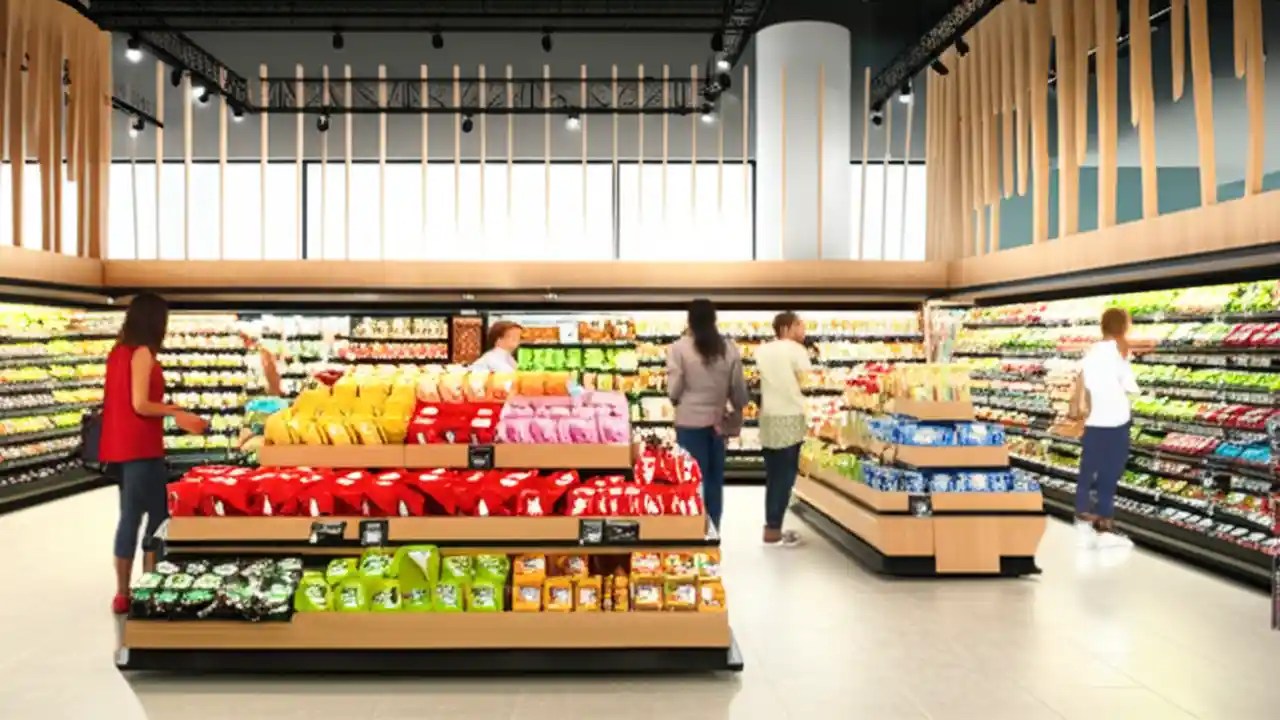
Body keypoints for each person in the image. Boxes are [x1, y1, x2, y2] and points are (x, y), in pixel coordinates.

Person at [102, 293, 209, 614]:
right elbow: (140, 404)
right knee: (157, 518)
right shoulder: (142, 353)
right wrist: (176, 411)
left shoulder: (117, 352)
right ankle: (148, 584)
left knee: (131, 516)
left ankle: (125, 592)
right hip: (140, 447)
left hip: (119, 447)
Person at [667, 299, 749, 531]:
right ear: (714, 320)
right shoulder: (728, 348)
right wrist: (737, 413)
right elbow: (739, 391)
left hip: (688, 424)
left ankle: (691, 531)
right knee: (714, 481)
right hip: (717, 424)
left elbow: (674, 389)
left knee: (691, 480)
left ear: (689, 320)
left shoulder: (678, 348)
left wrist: (677, 400)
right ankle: (712, 530)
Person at [1074, 307, 1139, 550]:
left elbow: (1087, 386)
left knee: (1089, 469)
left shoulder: (1092, 353)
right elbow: (1131, 386)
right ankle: (1105, 522)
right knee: (1109, 474)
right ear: (1122, 326)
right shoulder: (1119, 351)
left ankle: (1083, 513)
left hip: (1094, 421)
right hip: (1116, 422)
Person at [754, 311, 811, 546]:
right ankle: (775, 528)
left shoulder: (762, 351)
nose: (804, 331)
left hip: (768, 418)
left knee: (773, 475)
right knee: (786, 476)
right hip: (791, 416)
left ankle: (772, 526)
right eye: (800, 326)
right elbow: (807, 380)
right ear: (787, 327)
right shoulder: (797, 350)